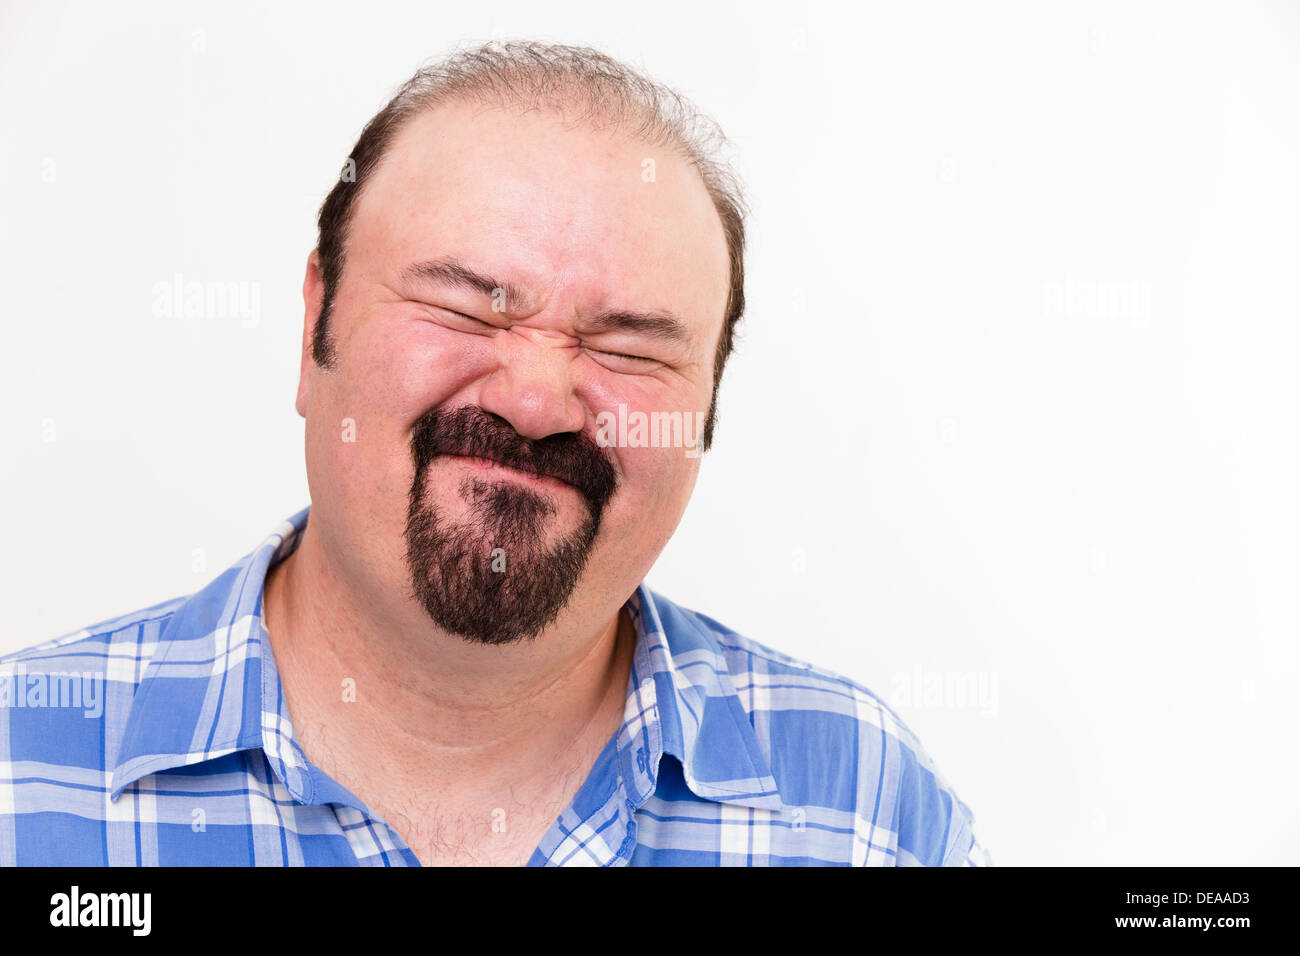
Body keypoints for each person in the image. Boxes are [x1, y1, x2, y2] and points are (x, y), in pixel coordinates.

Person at [0, 41, 988, 866]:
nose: (533, 399)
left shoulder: (865, 812)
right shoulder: (20, 774)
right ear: (316, 327)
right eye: (465, 302)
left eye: (628, 346)